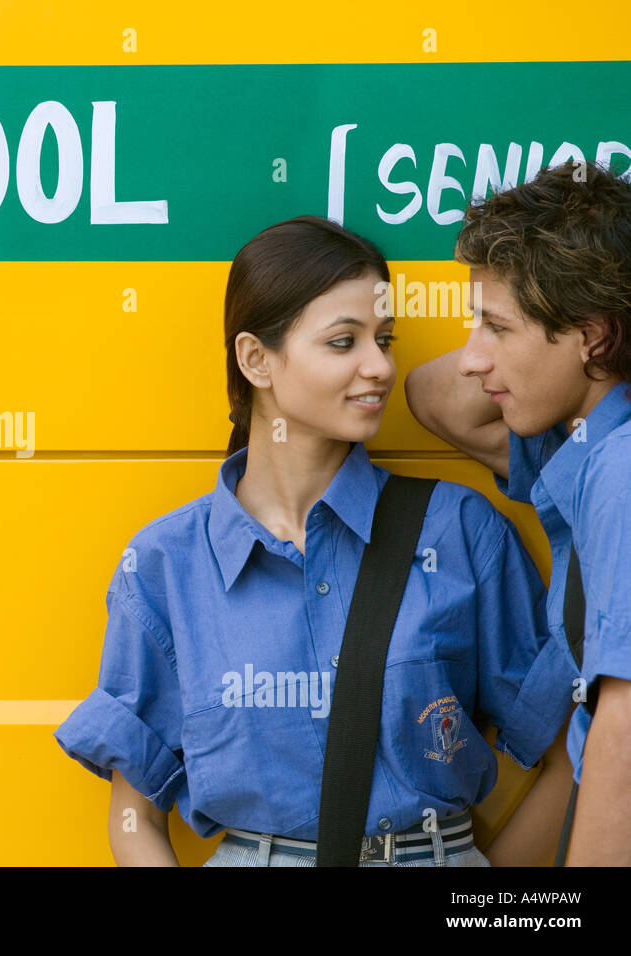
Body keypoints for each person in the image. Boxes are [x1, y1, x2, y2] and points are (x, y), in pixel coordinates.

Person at [53, 215, 577, 867]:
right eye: (343, 342)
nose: (379, 366)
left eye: (384, 340)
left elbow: (571, 754)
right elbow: (134, 812)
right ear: (255, 359)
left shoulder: (460, 532)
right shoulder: (167, 565)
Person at [405, 160, 631, 866]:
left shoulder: (620, 470)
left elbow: (622, 737)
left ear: (592, 337)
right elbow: (431, 395)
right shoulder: (583, 447)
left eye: (495, 326)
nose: (472, 357)